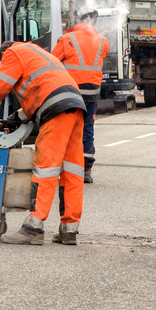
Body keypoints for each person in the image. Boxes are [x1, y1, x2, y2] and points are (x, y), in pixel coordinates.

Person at [0, 40, 87, 245]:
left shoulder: (13, 53)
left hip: (55, 111)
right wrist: (6, 122)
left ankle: (33, 227)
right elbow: (38, 96)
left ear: (4, 54)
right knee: (72, 170)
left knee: (45, 168)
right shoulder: (37, 53)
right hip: (75, 106)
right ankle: (69, 229)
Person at [52, 10, 109, 184]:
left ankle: (60, 168)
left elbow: (53, 60)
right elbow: (102, 55)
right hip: (91, 94)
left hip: (70, 92)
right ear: (94, 21)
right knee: (87, 130)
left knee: (64, 129)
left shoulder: (67, 39)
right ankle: (86, 169)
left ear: (77, 19)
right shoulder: (102, 41)